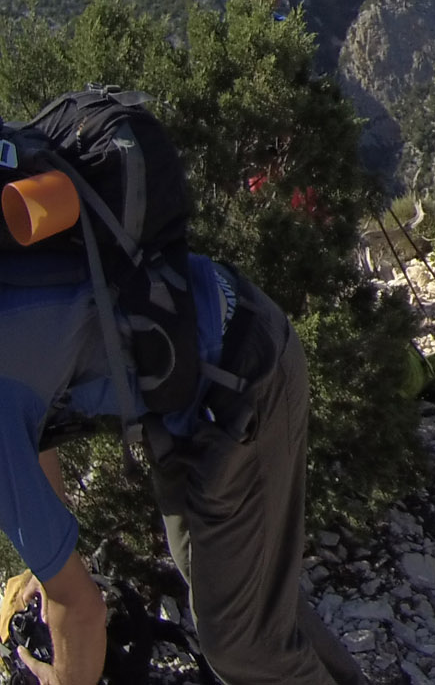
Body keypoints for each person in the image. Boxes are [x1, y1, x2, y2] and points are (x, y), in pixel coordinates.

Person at [2, 253, 368, 685]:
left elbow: (82, 609)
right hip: (197, 346)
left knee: (239, 642)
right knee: (221, 584)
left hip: (241, 377)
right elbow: (33, 434)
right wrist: (49, 570)